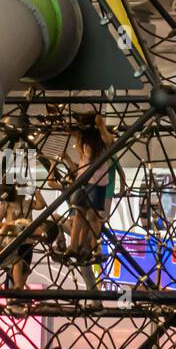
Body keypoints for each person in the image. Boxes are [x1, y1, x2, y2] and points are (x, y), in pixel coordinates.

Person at [67, 111, 121, 262]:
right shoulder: (84, 139)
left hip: (97, 182)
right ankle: (73, 247)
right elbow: (75, 132)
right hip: (83, 180)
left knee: (94, 217)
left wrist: (101, 124)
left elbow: (109, 139)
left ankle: (94, 248)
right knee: (79, 214)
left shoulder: (102, 139)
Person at [0, 183, 46, 290]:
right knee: (13, 270)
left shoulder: (28, 203)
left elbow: (42, 205)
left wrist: (33, 190)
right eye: (19, 188)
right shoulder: (6, 205)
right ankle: (11, 296)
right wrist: (13, 224)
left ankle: (18, 297)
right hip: (12, 243)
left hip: (27, 243)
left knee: (24, 272)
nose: (22, 191)